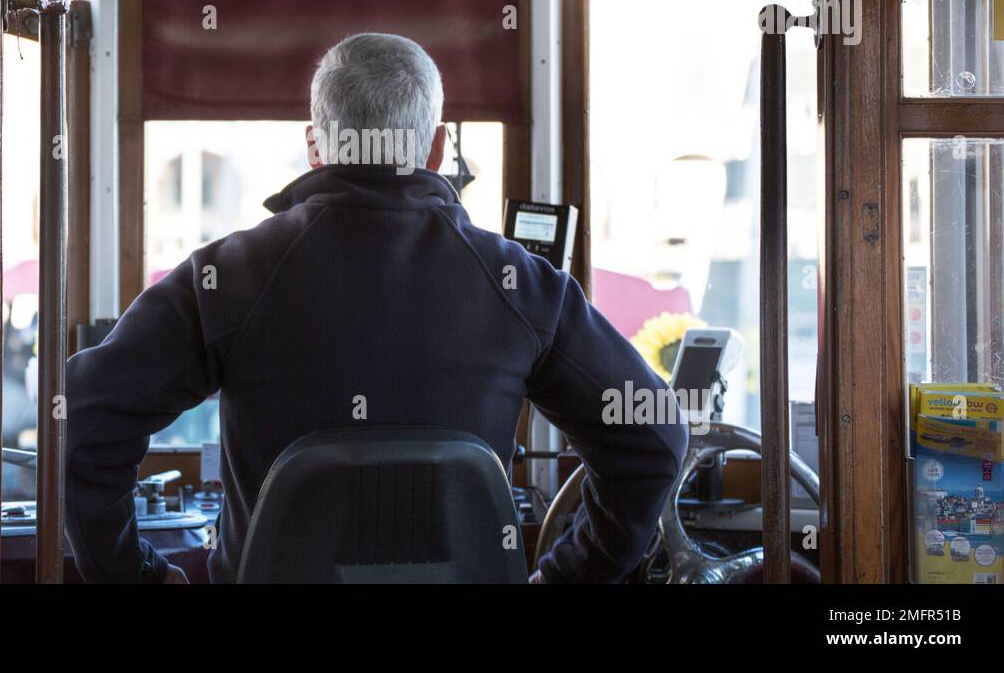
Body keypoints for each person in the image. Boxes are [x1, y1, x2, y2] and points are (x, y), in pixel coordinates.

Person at [64, 32, 689, 584]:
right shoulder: (524, 286)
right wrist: (571, 573)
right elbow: (656, 435)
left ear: (315, 145)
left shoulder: (228, 274)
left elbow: (82, 415)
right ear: (438, 147)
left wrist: (133, 573)